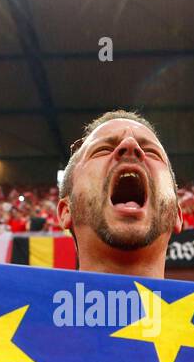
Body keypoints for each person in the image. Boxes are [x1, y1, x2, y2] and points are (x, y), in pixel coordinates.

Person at [55, 109, 183, 278]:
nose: (130, 144)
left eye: (151, 152)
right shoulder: (14, 305)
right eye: (103, 150)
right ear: (66, 210)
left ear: (176, 213)